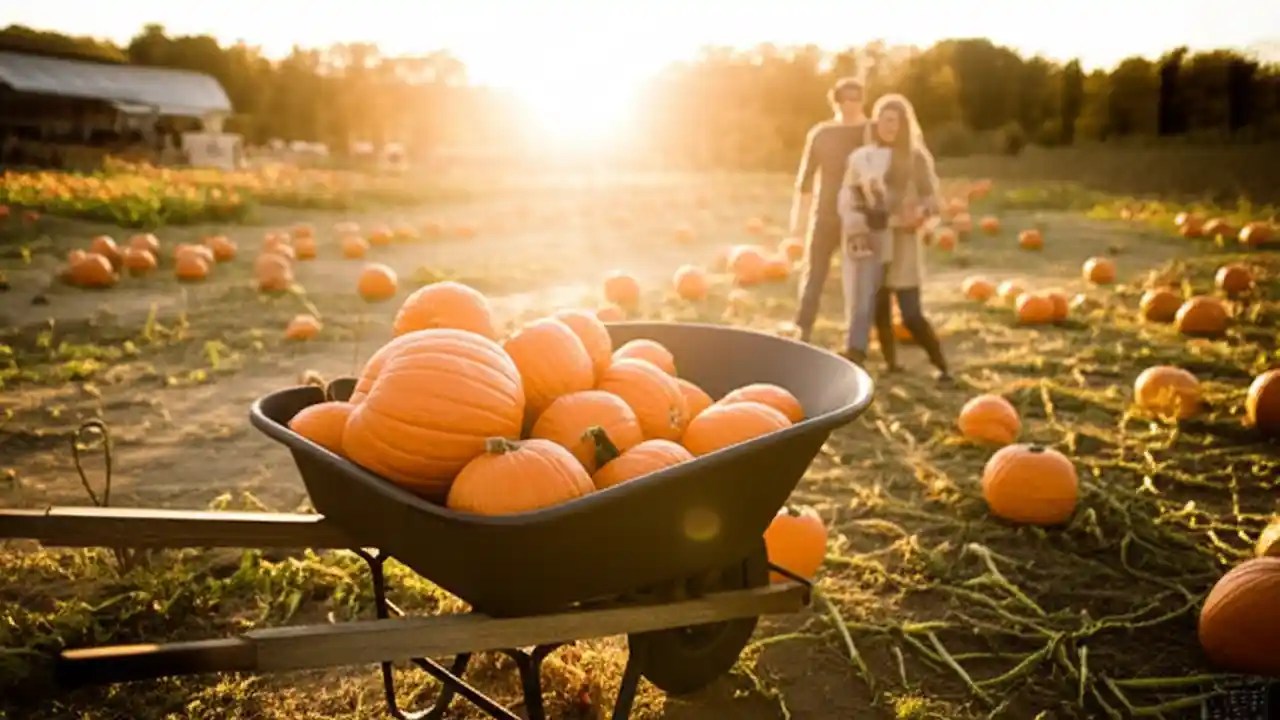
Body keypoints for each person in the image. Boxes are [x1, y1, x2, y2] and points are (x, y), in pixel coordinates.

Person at [837, 93, 951, 381]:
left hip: (904, 245)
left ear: (904, 124)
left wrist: (921, 213)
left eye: (894, 121)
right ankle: (891, 364)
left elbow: (932, 200)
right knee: (879, 308)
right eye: (883, 120)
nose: (889, 126)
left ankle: (942, 366)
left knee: (911, 313)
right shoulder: (866, 159)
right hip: (877, 243)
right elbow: (853, 196)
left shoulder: (915, 158)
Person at [788, 77, 871, 347]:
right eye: (845, 99)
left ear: (862, 100)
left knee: (861, 279)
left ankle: (858, 337)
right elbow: (806, 180)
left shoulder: (872, 132)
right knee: (814, 274)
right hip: (824, 216)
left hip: (861, 219)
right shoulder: (821, 134)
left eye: (855, 98)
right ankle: (803, 328)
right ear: (835, 101)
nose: (850, 104)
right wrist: (797, 221)